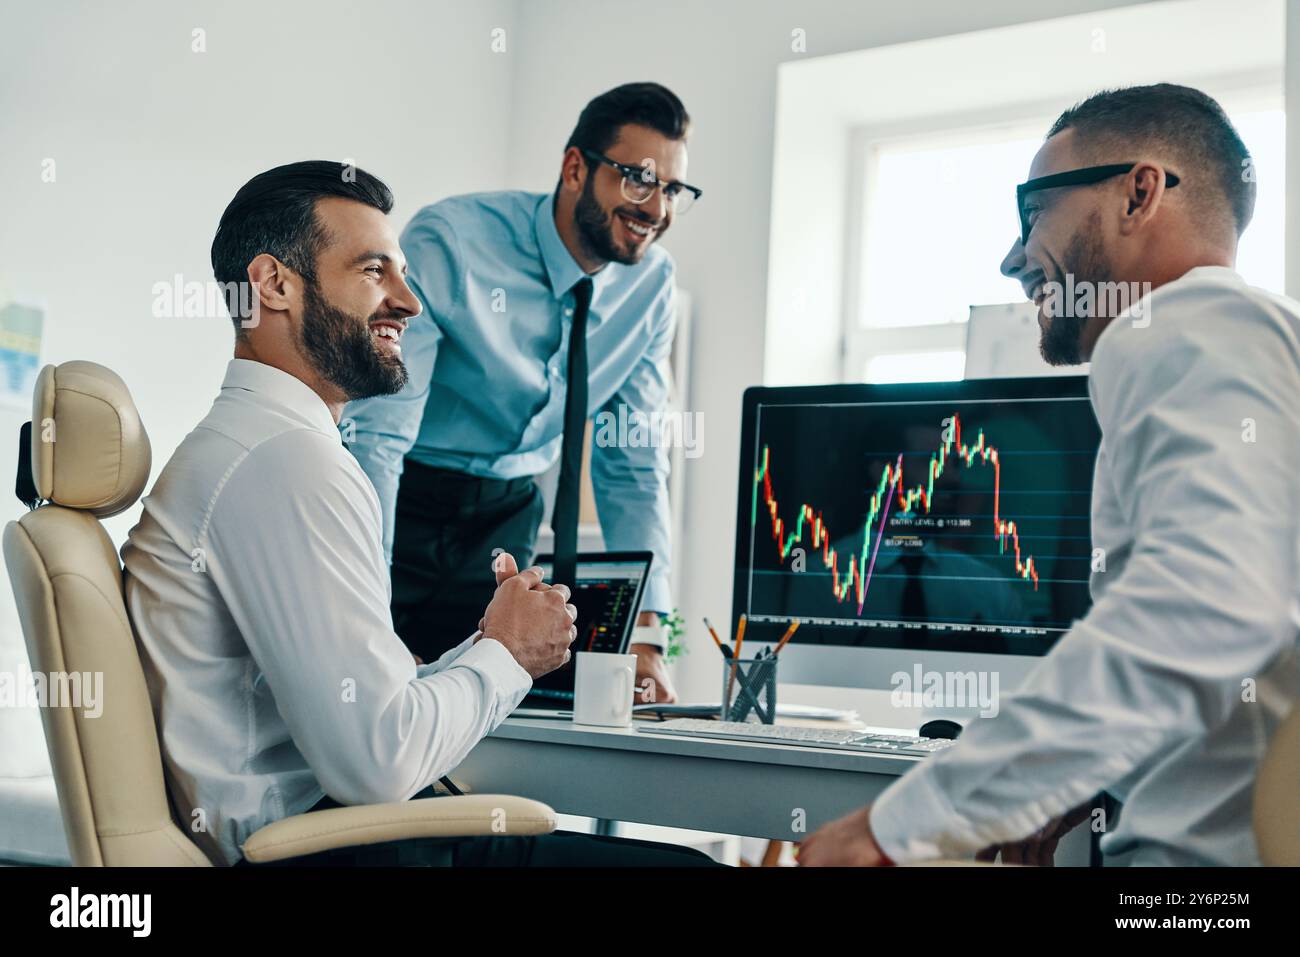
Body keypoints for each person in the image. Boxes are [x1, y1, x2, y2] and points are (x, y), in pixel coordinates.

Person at [122, 161, 715, 867]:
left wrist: (487, 641)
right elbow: (377, 762)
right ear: (274, 285)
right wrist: (509, 654)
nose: (410, 301)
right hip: (330, 851)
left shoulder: (253, 447)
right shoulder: (288, 462)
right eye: (375, 271)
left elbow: (360, 722)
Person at [799, 83, 1300, 867]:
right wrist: (1079, 780)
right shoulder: (1256, 342)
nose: (1012, 257)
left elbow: (1207, 603)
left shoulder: (1177, 323)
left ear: (1139, 192)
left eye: (1032, 211)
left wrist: (896, 827)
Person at [344, 83, 703, 702]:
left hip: (508, 516)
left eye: (673, 189)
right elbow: (380, 438)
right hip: (407, 497)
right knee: (375, 696)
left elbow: (634, 471)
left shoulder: (651, 291)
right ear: (574, 169)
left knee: (495, 712)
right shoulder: (453, 241)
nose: (657, 208)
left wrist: (647, 636)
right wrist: (366, 617)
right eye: (640, 180)